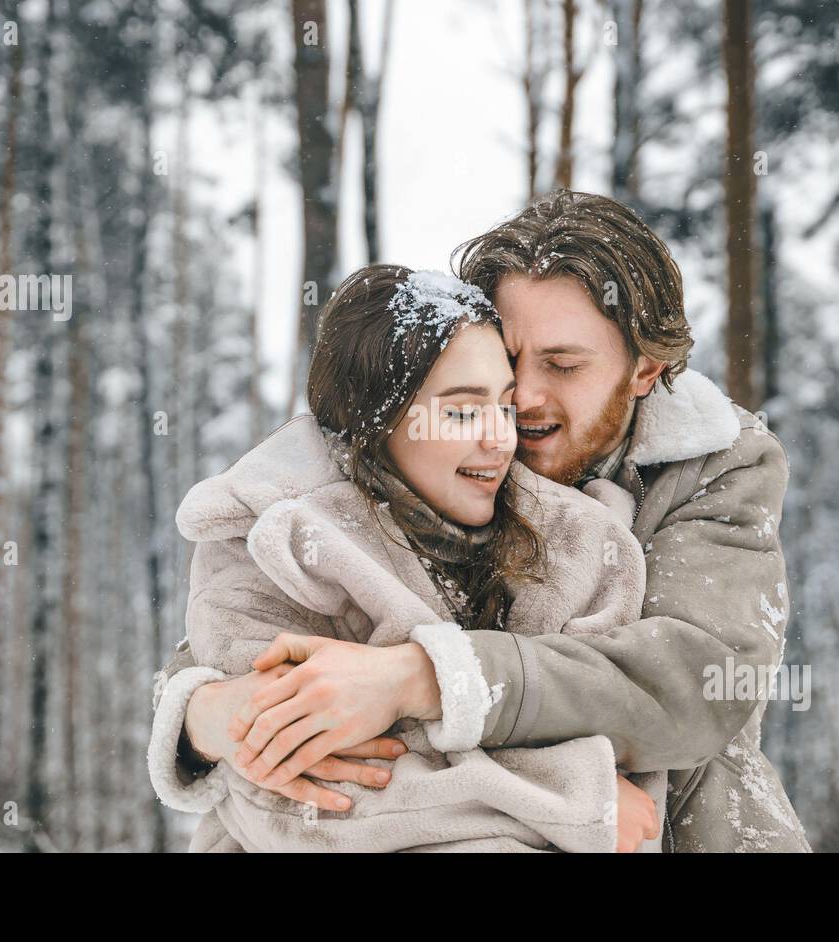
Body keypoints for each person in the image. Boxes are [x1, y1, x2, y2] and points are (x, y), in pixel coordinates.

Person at [153, 189, 812, 852]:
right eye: (507, 360)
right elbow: (260, 623)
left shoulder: (712, 467)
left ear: (645, 368)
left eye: (562, 365)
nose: (521, 400)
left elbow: (691, 683)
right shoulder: (438, 442)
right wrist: (205, 714)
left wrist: (422, 677)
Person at [150, 265, 665, 851]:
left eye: (503, 404)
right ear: (378, 419)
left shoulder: (579, 543)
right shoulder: (269, 542)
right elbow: (291, 808)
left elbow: (633, 784)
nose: (501, 437)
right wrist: (566, 803)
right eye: (462, 410)